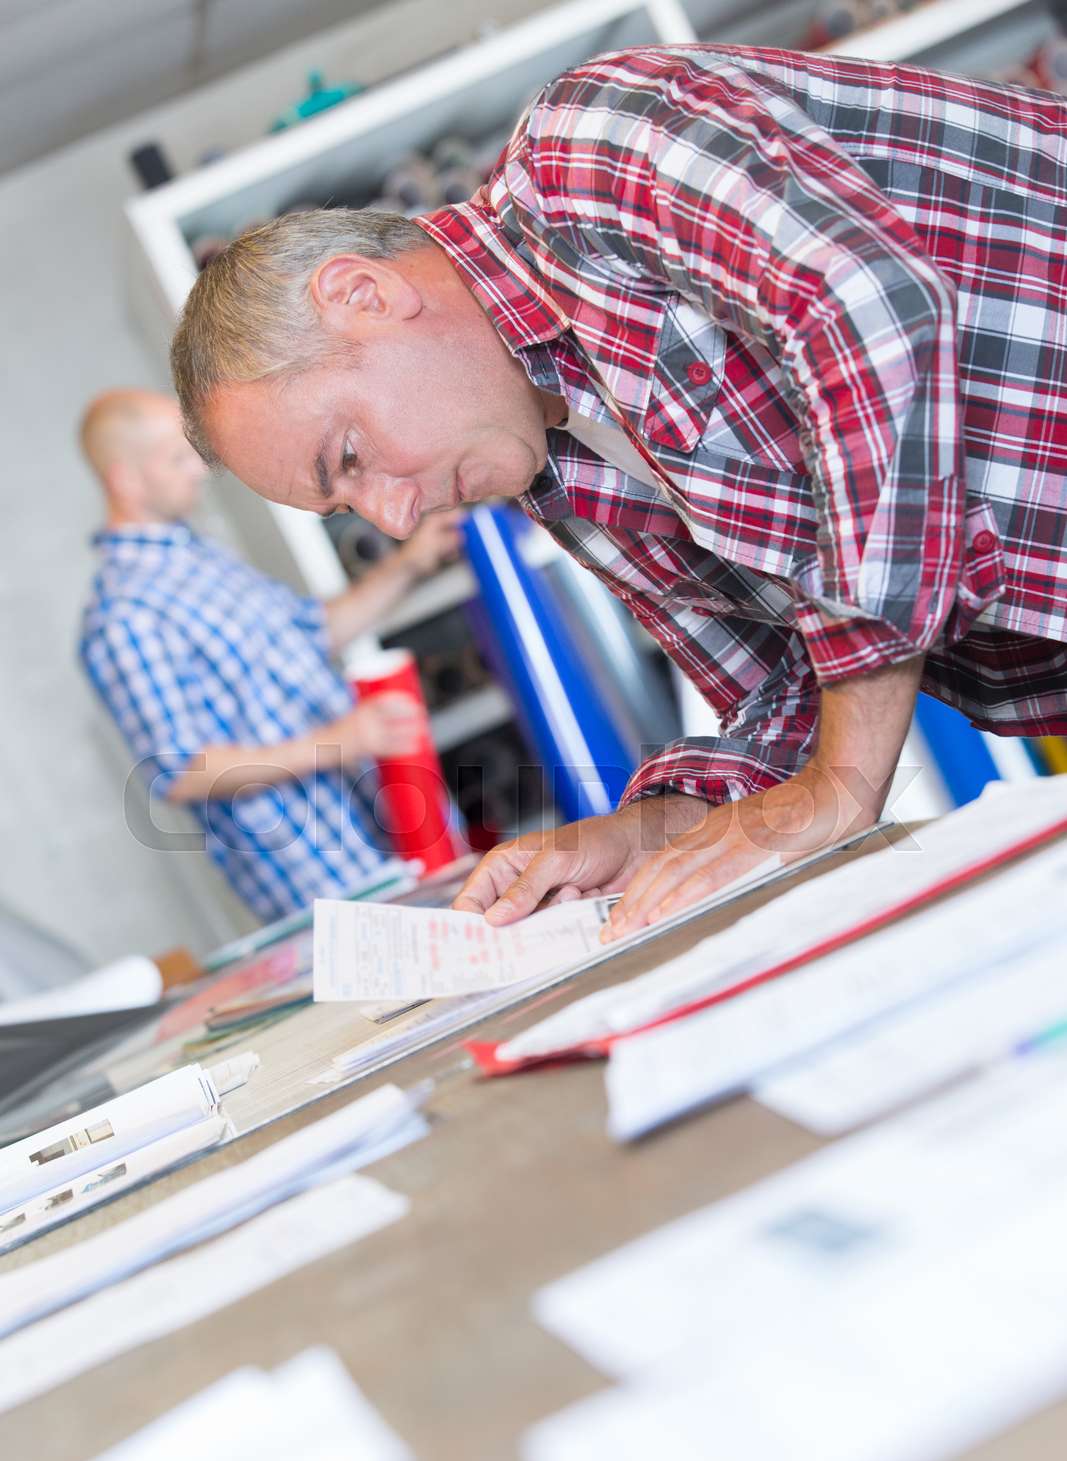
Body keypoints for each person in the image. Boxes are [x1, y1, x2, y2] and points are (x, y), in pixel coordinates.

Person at [168, 45, 1067, 940]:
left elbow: (874, 315)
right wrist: (645, 830)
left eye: (351, 457)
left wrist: (840, 785)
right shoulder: (552, 462)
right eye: (346, 510)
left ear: (363, 294)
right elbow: (790, 689)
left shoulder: (591, 146)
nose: (396, 518)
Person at [79, 389, 459, 921]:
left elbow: (310, 636)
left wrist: (411, 564)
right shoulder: (124, 616)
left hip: (386, 827)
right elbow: (183, 772)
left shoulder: (199, 557)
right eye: (177, 457)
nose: (200, 469)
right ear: (124, 478)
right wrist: (343, 741)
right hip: (323, 875)